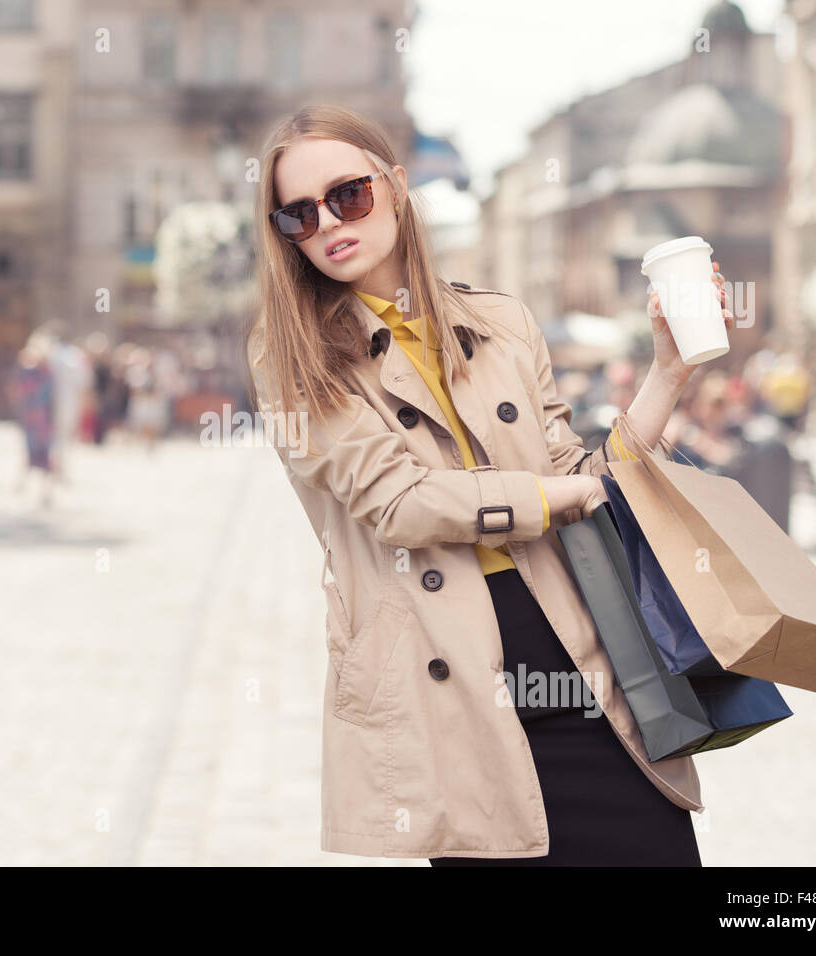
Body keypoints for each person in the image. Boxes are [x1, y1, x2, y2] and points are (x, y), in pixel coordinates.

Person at [244, 105, 737, 865]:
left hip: (582, 656)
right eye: (298, 215)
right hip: (452, 683)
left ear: (398, 187)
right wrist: (550, 498)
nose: (328, 224)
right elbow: (399, 504)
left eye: (349, 195)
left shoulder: (501, 322)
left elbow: (586, 483)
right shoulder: (294, 356)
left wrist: (668, 373)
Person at [8, 330, 59, 508]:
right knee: (33, 453)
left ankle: (44, 491)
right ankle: (31, 486)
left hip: (41, 420)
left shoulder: (47, 373)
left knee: (44, 456)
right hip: (34, 419)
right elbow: (17, 391)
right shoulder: (31, 373)